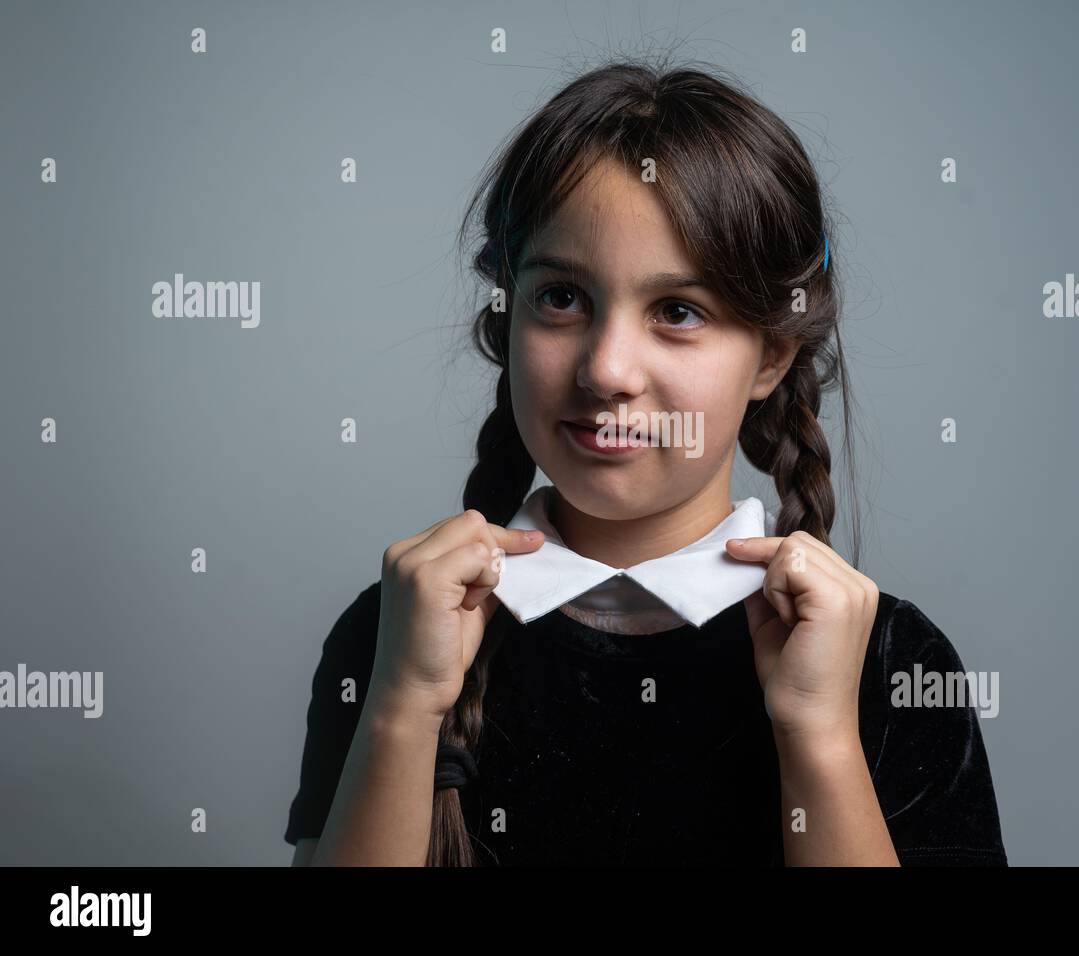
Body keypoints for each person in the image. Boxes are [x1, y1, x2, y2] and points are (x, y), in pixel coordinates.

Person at [284, 58, 1008, 867]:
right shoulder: (396, 633)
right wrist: (404, 709)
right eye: (561, 297)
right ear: (507, 311)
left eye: (677, 311)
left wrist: (820, 734)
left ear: (771, 355)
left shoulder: (893, 666)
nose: (606, 370)